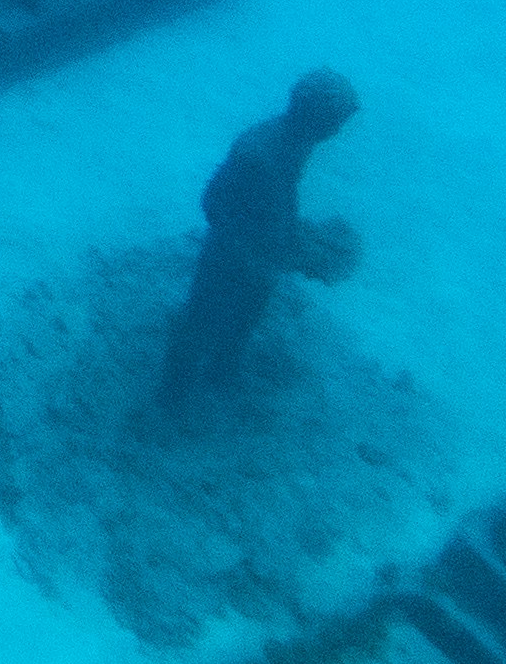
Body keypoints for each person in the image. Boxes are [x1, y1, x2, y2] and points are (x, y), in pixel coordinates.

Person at [155, 68, 364, 418]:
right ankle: (172, 393)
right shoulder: (258, 153)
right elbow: (216, 200)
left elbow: (277, 200)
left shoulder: (296, 142)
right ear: (313, 116)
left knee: (246, 315)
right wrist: (255, 248)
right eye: (335, 121)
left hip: (258, 251)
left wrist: (288, 235)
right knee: (202, 318)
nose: (338, 131)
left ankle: (222, 371)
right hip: (233, 253)